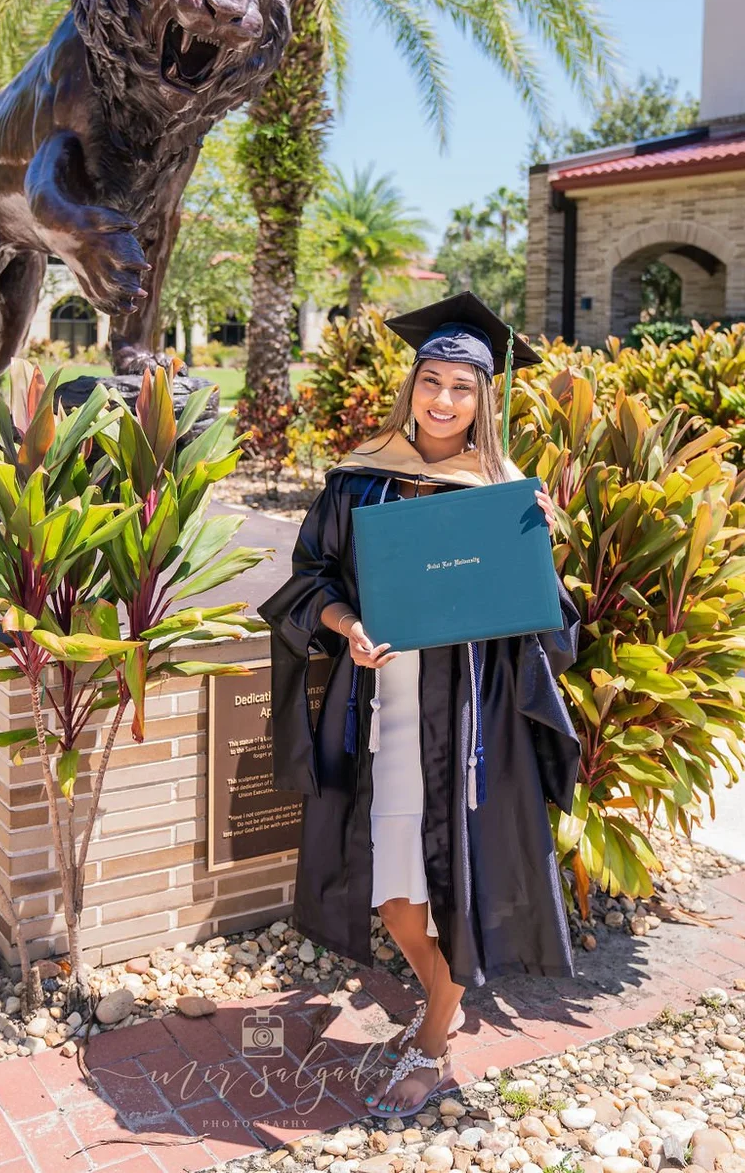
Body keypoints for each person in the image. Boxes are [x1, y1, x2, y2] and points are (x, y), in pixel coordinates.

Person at [258, 291, 582, 1119]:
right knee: (391, 885)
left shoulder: (503, 490)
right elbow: (310, 582)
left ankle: (434, 1044)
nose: (442, 400)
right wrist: (347, 623)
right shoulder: (361, 479)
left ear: (484, 400)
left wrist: (538, 546)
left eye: (462, 387)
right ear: (410, 387)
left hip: (472, 724)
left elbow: (546, 627)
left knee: (453, 877)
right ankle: (446, 995)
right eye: (430, 381)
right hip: (381, 708)